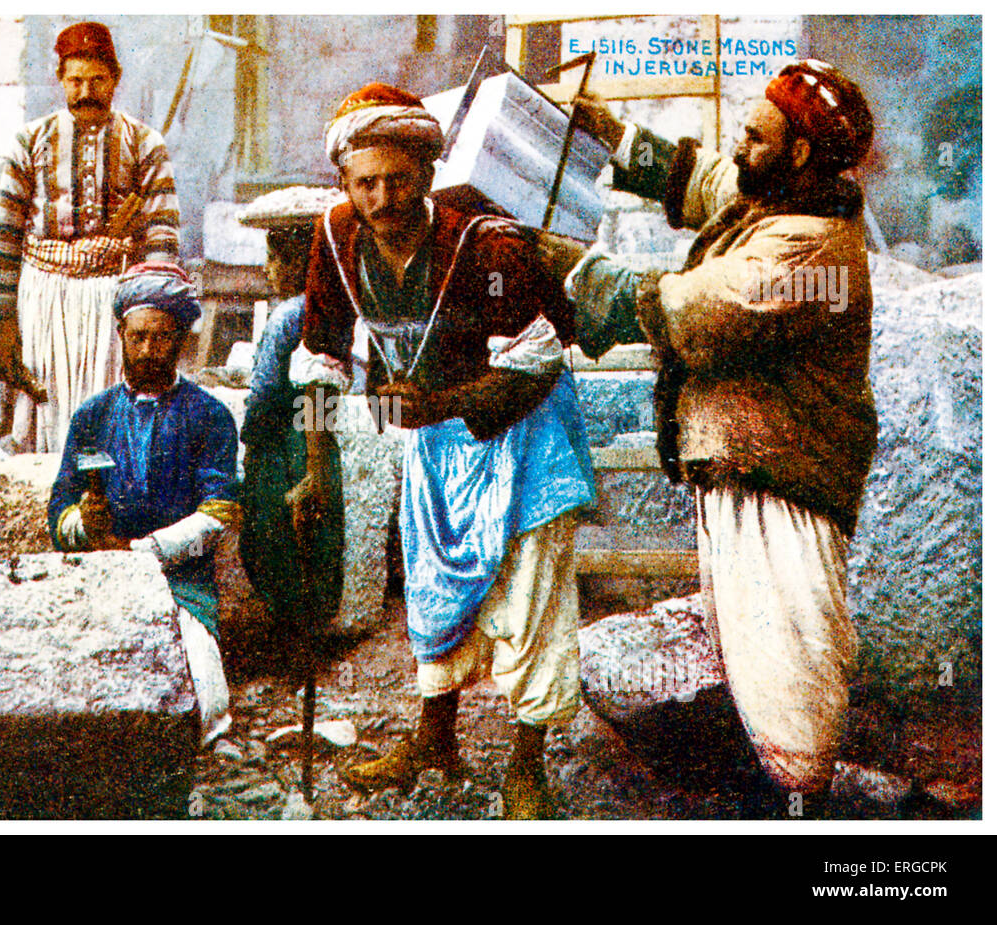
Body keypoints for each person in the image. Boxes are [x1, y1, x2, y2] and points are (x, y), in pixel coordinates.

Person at [568, 60, 877, 812]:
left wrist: (577, 277)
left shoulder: (811, 249)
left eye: (754, 136)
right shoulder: (775, 199)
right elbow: (711, 183)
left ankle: (808, 805)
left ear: (799, 153)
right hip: (748, 472)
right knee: (757, 642)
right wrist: (612, 133)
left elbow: (697, 309)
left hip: (786, 488)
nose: (739, 146)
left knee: (791, 657)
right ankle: (786, 790)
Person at [289, 83, 596, 819]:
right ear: (345, 184)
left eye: (399, 179)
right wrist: (314, 468)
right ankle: (436, 740)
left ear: (428, 175)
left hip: (524, 431)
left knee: (529, 599)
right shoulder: (334, 240)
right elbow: (320, 360)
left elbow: (535, 364)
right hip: (435, 440)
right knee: (432, 588)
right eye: (367, 183)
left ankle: (527, 767)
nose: (384, 197)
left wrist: (440, 404)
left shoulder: (486, 247)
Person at [48, 263, 241, 745]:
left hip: (180, 584)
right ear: (120, 335)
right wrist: (80, 524)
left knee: (205, 709)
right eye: (138, 338)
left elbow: (217, 515)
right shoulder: (92, 415)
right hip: (97, 580)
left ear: (182, 340)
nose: (149, 350)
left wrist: (138, 555)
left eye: (161, 338)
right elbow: (58, 510)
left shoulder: (209, 416)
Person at [0, 21, 182, 454]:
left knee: (113, 416)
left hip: (115, 300)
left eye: (96, 80)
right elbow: (5, 239)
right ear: (60, 79)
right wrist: (5, 325)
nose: (85, 92)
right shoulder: (29, 141)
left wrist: (151, 316)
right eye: (75, 80)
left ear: (114, 79)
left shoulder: (146, 143)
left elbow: (162, 236)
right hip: (44, 299)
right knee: (45, 417)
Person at [235, 187, 347, 679]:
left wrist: (249, 437)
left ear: (291, 260)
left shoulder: (286, 316)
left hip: (282, 445)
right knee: (318, 544)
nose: (267, 270)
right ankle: (307, 645)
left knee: (276, 542)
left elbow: (262, 397)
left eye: (272, 258)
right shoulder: (333, 307)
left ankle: (289, 653)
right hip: (316, 438)